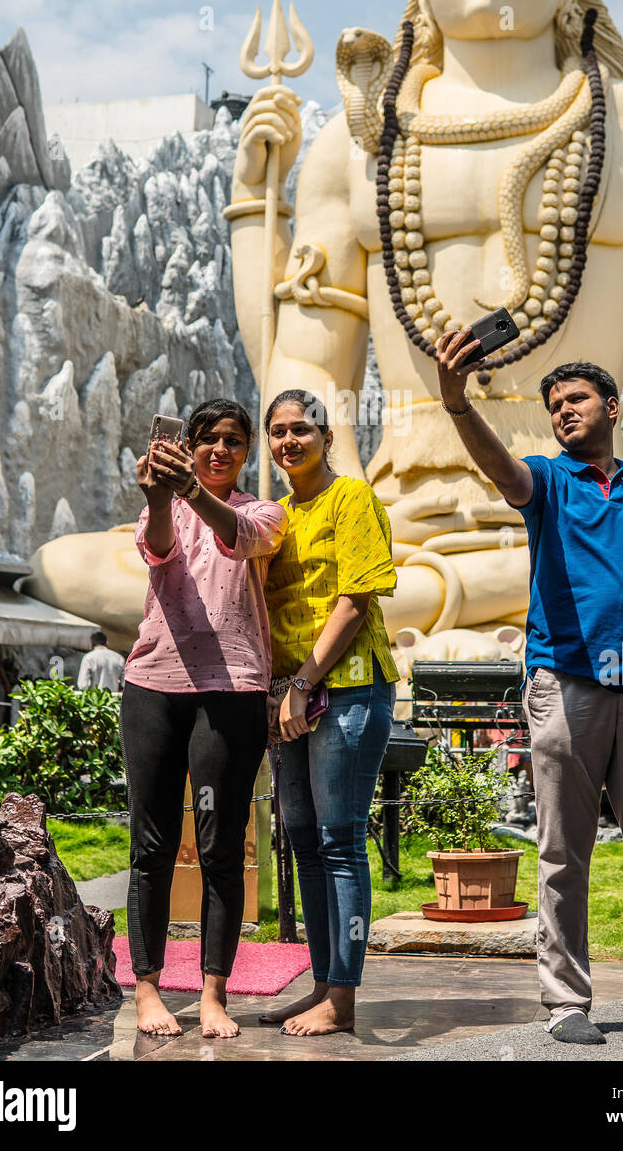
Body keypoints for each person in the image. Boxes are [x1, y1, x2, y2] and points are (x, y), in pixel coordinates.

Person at [436, 337, 623, 1046]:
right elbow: (500, 469)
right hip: (567, 681)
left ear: (614, 408)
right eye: (555, 404)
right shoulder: (547, 482)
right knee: (564, 851)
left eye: (577, 399)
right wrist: (454, 399)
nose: (564, 411)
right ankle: (566, 999)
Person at [120, 398, 287, 1039]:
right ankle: (149, 990)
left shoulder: (262, 513)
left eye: (232, 441)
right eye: (206, 439)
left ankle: (215, 993)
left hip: (232, 691)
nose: (219, 449)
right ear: (185, 444)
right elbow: (159, 549)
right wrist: (163, 497)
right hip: (155, 685)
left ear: (247, 452)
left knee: (221, 847)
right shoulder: (160, 506)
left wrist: (189, 488)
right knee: (151, 846)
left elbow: (239, 540)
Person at [258, 389, 399, 1037]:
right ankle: (321, 984)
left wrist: (302, 682)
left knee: (340, 841)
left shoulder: (352, 498)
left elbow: (356, 599)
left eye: (301, 429)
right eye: (278, 431)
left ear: (326, 436)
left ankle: (343, 997)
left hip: (344, 688)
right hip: (287, 693)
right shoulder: (278, 515)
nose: (289, 441)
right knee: (305, 846)